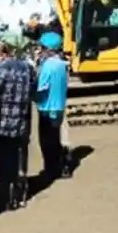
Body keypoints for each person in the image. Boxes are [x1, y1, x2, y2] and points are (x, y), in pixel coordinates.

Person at [0, 38, 35, 210]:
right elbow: (33, 90)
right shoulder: (28, 68)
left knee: (3, 159)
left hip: (3, 122)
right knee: (20, 158)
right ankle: (20, 193)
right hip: (22, 120)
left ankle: (6, 194)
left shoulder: (0, 69)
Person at [33, 31, 73, 181]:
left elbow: (42, 88)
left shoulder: (47, 66)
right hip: (59, 106)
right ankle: (63, 166)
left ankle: (51, 170)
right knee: (57, 139)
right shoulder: (62, 65)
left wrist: (33, 96)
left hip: (46, 108)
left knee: (47, 142)